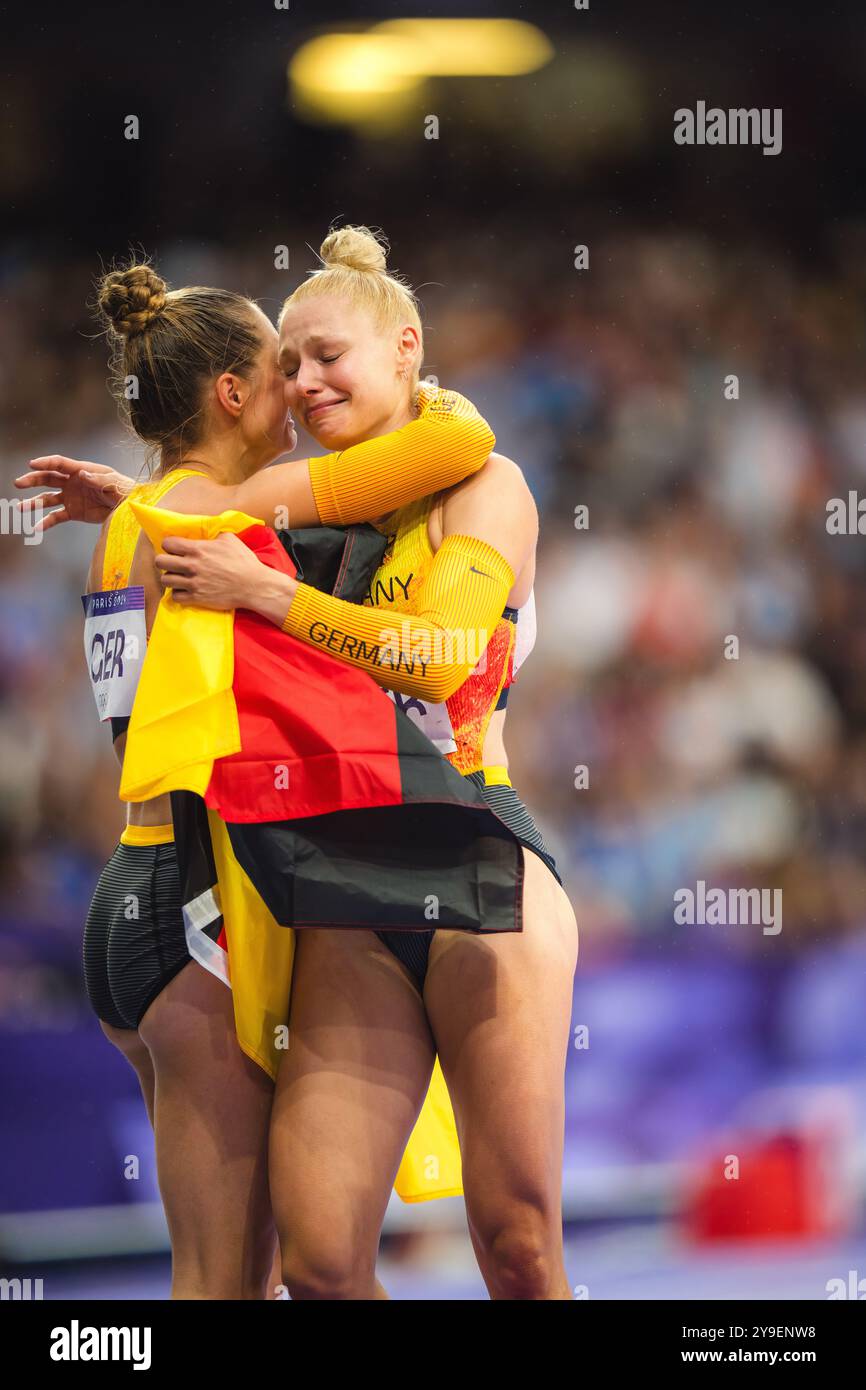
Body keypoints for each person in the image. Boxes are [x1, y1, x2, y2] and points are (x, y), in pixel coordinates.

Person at [22, 253, 509, 1298]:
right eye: (279, 369)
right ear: (230, 393)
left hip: (130, 902)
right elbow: (460, 439)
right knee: (229, 1286)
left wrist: (143, 497)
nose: (298, 391)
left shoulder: (133, 522)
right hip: (203, 909)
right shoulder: (233, 530)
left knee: (246, 1269)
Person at [147, 227, 580, 1300]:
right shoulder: (297, 510)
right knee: (321, 1259)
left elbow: (436, 661)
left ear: (405, 346)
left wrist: (269, 597)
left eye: (327, 354)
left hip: (478, 866)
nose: (304, 380)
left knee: (515, 1243)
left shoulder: (486, 486)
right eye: (288, 364)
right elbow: (206, 494)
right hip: (346, 885)